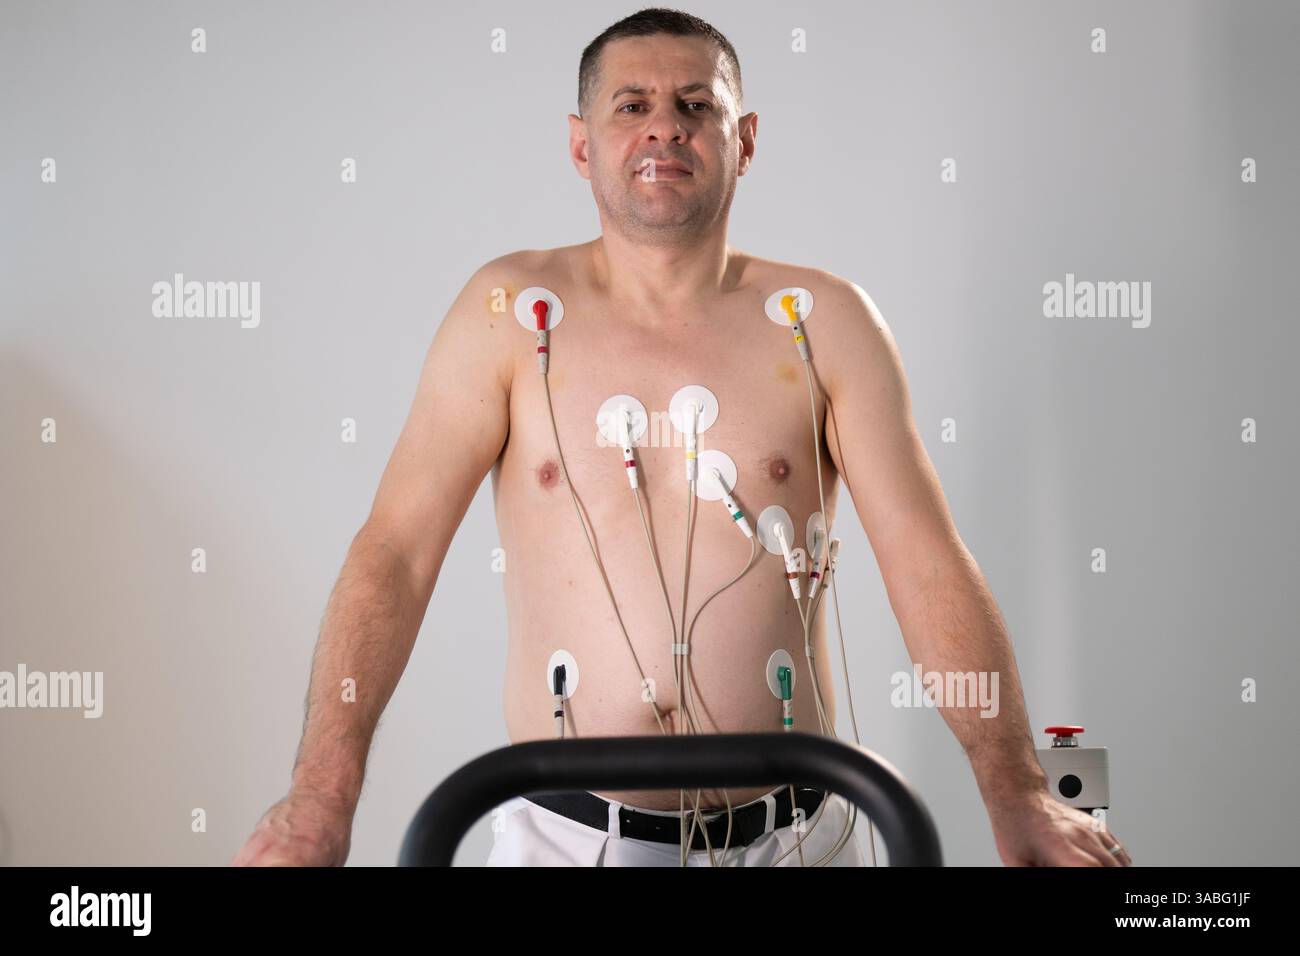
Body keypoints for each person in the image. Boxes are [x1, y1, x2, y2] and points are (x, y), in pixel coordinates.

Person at [233, 7, 1131, 867]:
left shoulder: (827, 323)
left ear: (743, 140)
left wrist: (1017, 789)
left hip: (794, 836)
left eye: (697, 105)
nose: (666, 128)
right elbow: (394, 554)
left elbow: (926, 560)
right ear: (582, 144)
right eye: (633, 106)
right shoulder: (504, 314)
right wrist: (321, 797)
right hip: (567, 838)